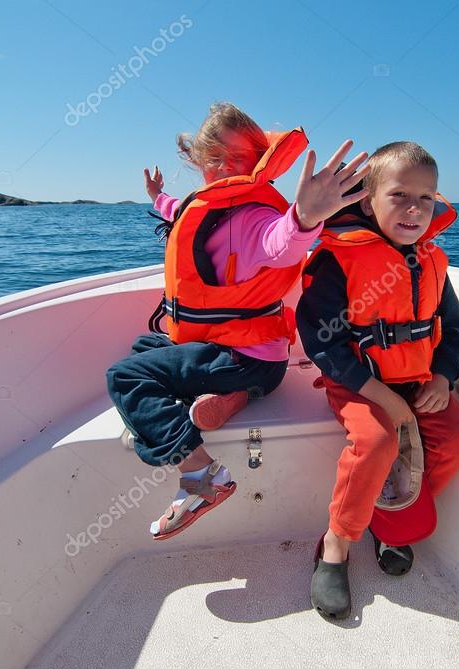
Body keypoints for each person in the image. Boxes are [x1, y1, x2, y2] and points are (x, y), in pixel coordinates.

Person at [107, 102, 369, 540]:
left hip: (242, 356)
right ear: (199, 163)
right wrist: (156, 196)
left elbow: (281, 242)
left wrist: (305, 217)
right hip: (255, 360)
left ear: (260, 163)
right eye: (215, 159)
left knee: (125, 378)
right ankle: (234, 397)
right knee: (144, 347)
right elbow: (178, 210)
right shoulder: (207, 206)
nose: (225, 167)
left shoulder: (254, 216)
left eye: (237, 158)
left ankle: (200, 478)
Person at [296, 141, 459, 620]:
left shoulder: (433, 261)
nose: (415, 208)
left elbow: (453, 330)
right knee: (377, 442)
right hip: (357, 382)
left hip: (419, 381)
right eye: (399, 195)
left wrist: (443, 376)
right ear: (366, 201)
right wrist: (383, 399)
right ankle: (336, 544)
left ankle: (388, 512)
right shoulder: (337, 259)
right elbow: (321, 343)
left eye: (427, 197)